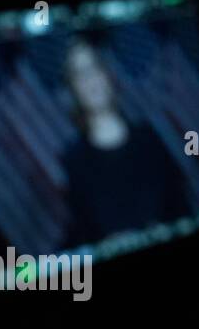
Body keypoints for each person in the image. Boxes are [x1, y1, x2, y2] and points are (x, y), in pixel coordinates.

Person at [59, 38, 189, 248]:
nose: (90, 79)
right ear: (72, 88)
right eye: (79, 74)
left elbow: (181, 203)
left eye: (94, 68)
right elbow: (84, 233)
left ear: (108, 75)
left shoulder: (149, 139)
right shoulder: (73, 162)